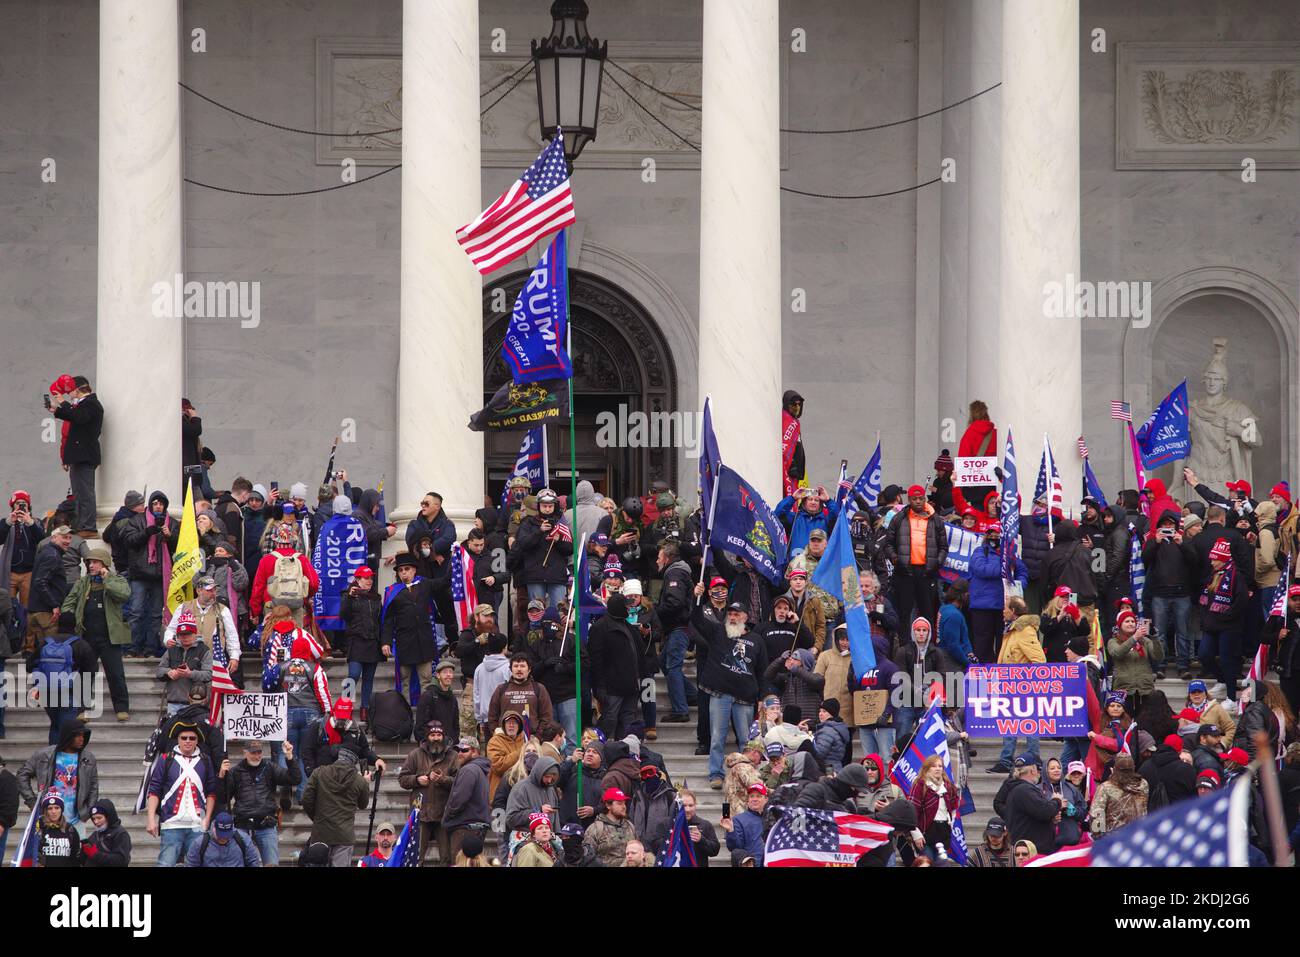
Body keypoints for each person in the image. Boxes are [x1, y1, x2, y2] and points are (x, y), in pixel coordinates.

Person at [692, 592, 768, 789]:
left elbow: (762, 672)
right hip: (720, 694)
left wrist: (762, 697)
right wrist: (697, 598)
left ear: (746, 617)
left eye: (737, 614)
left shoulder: (757, 641)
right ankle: (716, 774)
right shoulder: (718, 632)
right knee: (717, 737)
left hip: (745, 697)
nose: (733, 617)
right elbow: (697, 620)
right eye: (730, 614)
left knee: (746, 740)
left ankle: (746, 775)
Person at [145, 721, 218, 866]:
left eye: (192, 738)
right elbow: (154, 791)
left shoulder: (205, 760)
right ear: (178, 739)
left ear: (197, 740)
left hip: (198, 824)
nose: (188, 741)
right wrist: (151, 819)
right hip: (171, 824)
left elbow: (211, 793)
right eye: (184, 738)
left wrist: (207, 819)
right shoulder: (166, 759)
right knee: (165, 864)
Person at [219, 739, 299, 866]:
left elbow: (295, 778)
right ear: (244, 752)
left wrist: (289, 757)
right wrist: (222, 777)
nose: (257, 756)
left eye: (259, 752)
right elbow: (223, 798)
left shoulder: (270, 767)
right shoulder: (235, 771)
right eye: (253, 753)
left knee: (272, 863)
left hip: (266, 824)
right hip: (242, 825)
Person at [120, 491, 179, 657]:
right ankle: (131, 648)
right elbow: (129, 541)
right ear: (150, 505)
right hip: (140, 574)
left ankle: (150, 648)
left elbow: (181, 547)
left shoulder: (173, 523)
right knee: (135, 612)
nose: (158, 506)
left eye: (161, 503)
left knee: (155, 615)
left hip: (161, 575)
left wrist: (170, 537)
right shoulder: (138, 520)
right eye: (155, 503)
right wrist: (147, 532)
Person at [17, 719, 97, 840]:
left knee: (76, 856)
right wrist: (32, 802)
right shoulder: (44, 754)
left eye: (83, 735)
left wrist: (88, 810)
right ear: (68, 735)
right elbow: (22, 774)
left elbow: (94, 785)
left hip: (76, 821)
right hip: (47, 818)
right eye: (78, 735)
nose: (82, 739)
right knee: (46, 855)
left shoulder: (88, 758)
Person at [989, 606, 1047, 772]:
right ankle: (1006, 761)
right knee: (1010, 722)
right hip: (1009, 684)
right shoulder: (1012, 629)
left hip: (1022, 685)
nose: (1002, 611)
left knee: (1029, 723)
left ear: (1013, 610)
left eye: (1005, 609)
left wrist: (1025, 679)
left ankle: (1032, 760)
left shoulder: (1024, 630)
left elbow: (1039, 659)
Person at [381, 553, 440, 700]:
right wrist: (386, 642)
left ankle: (425, 714)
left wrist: (456, 559)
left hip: (423, 643)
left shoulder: (424, 584)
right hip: (404, 644)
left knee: (426, 682)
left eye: (407, 569)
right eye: (400, 570)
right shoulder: (392, 591)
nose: (404, 573)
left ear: (414, 570)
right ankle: (404, 715)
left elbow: (444, 582)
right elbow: (388, 620)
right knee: (404, 683)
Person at [302, 742, 371, 867]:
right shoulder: (359, 781)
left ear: (339, 756)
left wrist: (317, 818)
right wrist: (365, 783)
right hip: (344, 835)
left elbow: (306, 799)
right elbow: (363, 804)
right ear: (354, 760)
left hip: (321, 832)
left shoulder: (319, 773)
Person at [398, 720, 457, 865]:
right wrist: (417, 779)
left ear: (443, 736)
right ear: (427, 737)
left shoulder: (453, 755)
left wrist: (442, 779)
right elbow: (402, 778)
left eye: (439, 734)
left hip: (444, 814)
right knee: (416, 857)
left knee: (447, 858)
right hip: (420, 814)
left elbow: (459, 781)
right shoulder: (415, 754)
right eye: (433, 735)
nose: (436, 738)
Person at [888, 484, 948, 627]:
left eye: (921, 498)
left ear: (925, 499)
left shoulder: (936, 519)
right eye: (914, 499)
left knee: (927, 612)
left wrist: (936, 563)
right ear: (909, 500)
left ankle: (928, 647)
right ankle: (904, 647)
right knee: (904, 613)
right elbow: (888, 544)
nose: (918, 501)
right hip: (905, 571)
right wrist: (896, 560)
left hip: (927, 572)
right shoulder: (898, 518)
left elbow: (944, 547)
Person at [50, 376, 103, 537]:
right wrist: (57, 410)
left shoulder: (92, 403)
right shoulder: (84, 405)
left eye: (71, 390)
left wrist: (63, 403)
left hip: (85, 455)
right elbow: (74, 416)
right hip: (79, 456)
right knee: (79, 493)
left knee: (85, 492)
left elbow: (79, 417)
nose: (69, 393)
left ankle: (88, 526)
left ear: (78, 389)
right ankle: (82, 525)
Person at [587, 593, 644, 742]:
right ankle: (598, 750)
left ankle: (623, 755)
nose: (629, 608)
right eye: (626, 605)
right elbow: (596, 660)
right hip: (611, 687)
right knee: (609, 721)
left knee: (628, 724)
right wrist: (599, 687)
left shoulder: (629, 627)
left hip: (630, 686)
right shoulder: (599, 628)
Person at [1199, 537, 1251, 695]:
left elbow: (1241, 601)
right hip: (1212, 624)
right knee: (1204, 654)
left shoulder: (1236, 575)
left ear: (1223, 560)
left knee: (1227, 659)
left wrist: (1226, 616)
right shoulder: (1213, 574)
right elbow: (1205, 600)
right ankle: (1221, 680)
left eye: (1215, 560)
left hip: (1229, 625)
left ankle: (1231, 697)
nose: (1212, 563)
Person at [893, 617, 957, 742]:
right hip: (906, 702)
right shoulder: (903, 651)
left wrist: (929, 690)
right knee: (901, 738)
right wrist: (918, 691)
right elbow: (901, 676)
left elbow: (942, 676)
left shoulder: (936, 653)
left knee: (927, 738)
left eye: (924, 630)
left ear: (929, 633)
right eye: (918, 630)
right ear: (913, 632)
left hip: (927, 704)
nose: (921, 633)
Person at [654, 541, 696, 723]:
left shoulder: (675, 573)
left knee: (673, 667)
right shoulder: (677, 571)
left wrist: (656, 611)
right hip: (676, 628)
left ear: (667, 558)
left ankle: (680, 710)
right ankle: (691, 694)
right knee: (663, 662)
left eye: (659, 557)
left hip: (680, 627)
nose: (656, 561)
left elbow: (675, 602)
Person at [512, 488, 572, 611]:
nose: (548, 509)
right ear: (538, 506)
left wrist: (558, 541)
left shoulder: (561, 524)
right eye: (544, 506)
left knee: (559, 612)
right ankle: (536, 631)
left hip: (556, 576)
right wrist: (539, 532)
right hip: (535, 575)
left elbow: (570, 549)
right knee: (536, 612)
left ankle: (557, 631)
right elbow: (523, 544)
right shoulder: (528, 523)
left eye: (550, 506)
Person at [340, 566, 383, 720]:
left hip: (373, 642)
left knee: (369, 678)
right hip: (356, 640)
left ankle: (365, 707)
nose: (369, 581)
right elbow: (343, 614)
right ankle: (345, 704)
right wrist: (350, 597)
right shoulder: (349, 595)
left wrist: (384, 641)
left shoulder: (376, 597)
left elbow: (380, 620)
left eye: (371, 578)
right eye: (366, 578)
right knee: (353, 674)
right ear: (357, 580)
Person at [157, 610, 213, 716]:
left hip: (197, 703)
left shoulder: (204, 650)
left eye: (188, 634)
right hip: (173, 703)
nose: (185, 637)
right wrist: (169, 672)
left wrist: (190, 674)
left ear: (194, 634)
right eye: (182, 635)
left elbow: (209, 674)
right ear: (177, 636)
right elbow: (159, 671)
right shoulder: (171, 650)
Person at [1000, 755, 1061, 852]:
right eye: (1037, 769)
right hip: (1031, 849)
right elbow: (1044, 811)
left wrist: (1051, 819)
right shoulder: (1025, 790)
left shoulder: (1019, 788)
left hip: (1029, 846)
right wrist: (1057, 800)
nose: (1038, 772)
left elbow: (1034, 814)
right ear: (1033, 770)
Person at [27, 525, 75, 650]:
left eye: (70, 538)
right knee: (52, 652)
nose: (68, 541)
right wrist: (54, 604)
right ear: (54, 538)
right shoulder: (53, 555)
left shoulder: (46, 551)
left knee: (43, 652)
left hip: (36, 609)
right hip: (46, 613)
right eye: (64, 537)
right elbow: (40, 581)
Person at [443, 737, 491, 859]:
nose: (459, 754)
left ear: (475, 752)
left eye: (464, 751)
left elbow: (458, 800)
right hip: (475, 829)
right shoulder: (480, 769)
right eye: (458, 750)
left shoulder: (469, 770)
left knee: (460, 863)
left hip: (465, 829)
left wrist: (447, 817)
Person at [487, 651, 554, 735]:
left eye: (522, 666)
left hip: (531, 740)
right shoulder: (501, 689)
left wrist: (538, 737)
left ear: (529, 669)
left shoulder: (539, 688)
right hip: (506, 739)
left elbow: (547, 717)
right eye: (515, 666)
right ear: (511, 669)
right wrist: (497, 734)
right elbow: (492, 716)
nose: (519, 669)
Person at [1, 490, 47, 609]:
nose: (20, 506)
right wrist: (8, 522)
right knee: (8, 607)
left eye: (23, 503)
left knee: (26, 607)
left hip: (29, 572)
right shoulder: (6, 522)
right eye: (17, 504)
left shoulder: (35, 522)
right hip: (10, 572)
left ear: (28, 506)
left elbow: (42, 541)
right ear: (13, 506)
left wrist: (30, 522)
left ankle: (25, 627)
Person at [1108, 607, 1157, 713]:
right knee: (1125, 722)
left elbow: (1158, 657)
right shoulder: (1113, 641)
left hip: (1145, 688)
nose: (1131, 624)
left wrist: (1155, 638)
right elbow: (1117, 653)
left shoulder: (1145, 640)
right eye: (1127, 621)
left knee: (1144, 723)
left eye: (1133, 621)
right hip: (1123, 689)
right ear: (1120, 625)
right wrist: (1134, 638)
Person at [1092, 753, 1149, 834]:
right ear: (1134, 768)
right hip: (1139, 833)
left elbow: (1097, 814)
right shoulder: (1143, 784)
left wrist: (1098, 835)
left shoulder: (1106, 787)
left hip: (1115, 837)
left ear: (1114, 769)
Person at [185, 810, 262, 867]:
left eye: (227, 835)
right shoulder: (200, 843)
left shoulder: (243, 839)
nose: (223, 838)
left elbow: (254, 862)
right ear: (214, 829)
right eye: (220, 835)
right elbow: (191, 864)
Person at [583, 786, 637, 867]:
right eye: (619, 803)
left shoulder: (630, 826)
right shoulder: (595, 829)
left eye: (624, 803)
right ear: (608, 805)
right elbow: (588, 858)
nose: (624, 806)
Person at [722, 781, 768, 866]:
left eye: (759, 796)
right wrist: (731, 830)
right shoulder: (738, 820)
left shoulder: (772, 818)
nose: (754, 799)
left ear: (766, 799)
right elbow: (734, 848)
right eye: (751, 796)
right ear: (748, 800)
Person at [30, 790, 82, 866]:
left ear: (61, 810)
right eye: (50, 808)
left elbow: (75, 858)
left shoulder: (70, 830)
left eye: (57, 808)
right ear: (45, 811)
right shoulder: (38, 829)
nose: (53, 811)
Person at [80, 799, 131, 867]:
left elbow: (121, 860)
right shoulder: (96, 834)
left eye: (99, 818)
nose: (96, 822)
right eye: (94, 819)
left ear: (109, 816)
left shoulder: (121, 834)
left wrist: (95, 854)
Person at [678, 789, 720, 866]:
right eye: (684, 805)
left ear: (695, 805)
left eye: (691, 805)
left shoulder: (705, 825)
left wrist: (701, 840)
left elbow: (715, 851)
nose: (687, 809)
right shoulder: (669, 825)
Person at [812, 698, 851, 772]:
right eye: (820, 711)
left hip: (828, 770)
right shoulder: (837, 727)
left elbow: (819, 753)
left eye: (824, 711)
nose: (820, 714)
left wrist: (807, 741)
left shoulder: (828, 730)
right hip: (835, 767)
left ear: (831, 714)